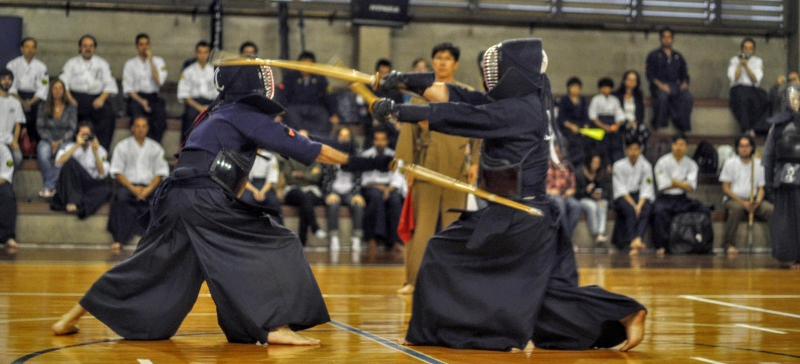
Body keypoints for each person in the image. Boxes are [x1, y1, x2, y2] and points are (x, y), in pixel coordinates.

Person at [51, 60, 371, 346]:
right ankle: (273, 326)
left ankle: (70, 318)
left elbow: (230, 174)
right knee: (279, 242)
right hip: (203, 199)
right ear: (254, 88)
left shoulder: (214, 115)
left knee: (146, 265)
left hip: (176, 198)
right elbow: (310, 149)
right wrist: (361, 163)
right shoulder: (246, 114)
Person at [372, 38, 646, 352]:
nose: (490, 76)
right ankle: (624, 312)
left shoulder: (517, 111)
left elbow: (462, 115)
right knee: (540, 298)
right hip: (527, 215)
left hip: (515, 217)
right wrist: (406, 82)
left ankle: (430, 332)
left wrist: (399, 111)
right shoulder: (533, 97)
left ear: (514, 71)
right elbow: (465, 97)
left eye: (496, 69)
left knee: (441, 252)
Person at [392, 42, 481, 295]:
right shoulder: (420, 94)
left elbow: (480, 130)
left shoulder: (466, 93)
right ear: (432, 62)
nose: (442, 62)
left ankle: (454, 279)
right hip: (426, 167)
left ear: (456, 64)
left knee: (455, 228)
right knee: (421, 228)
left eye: (448, 58)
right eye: (438, 57)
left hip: (457, 169)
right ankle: (412, 280)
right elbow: (408, 128)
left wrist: (475, 161)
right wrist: (407, 165)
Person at [107, 116, 169, 251]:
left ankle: (154, 239)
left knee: (159, 200)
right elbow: (117, 171)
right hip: (129, 186)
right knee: (120, 198)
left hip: (149, 187)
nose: (140, 129)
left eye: (143, 126)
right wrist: (133, 188)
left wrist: (147, 190)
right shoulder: (122, 146)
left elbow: (160, 172)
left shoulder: (155, 147)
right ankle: (119, 239)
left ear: (147, 128)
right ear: (132, 128)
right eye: (137, 126)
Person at [652, 134, 711, 257]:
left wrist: (673, 181)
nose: (679, 147)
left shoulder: (691, 164)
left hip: (682, 198)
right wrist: (682, 183)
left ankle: (703, 242)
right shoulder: (662, 162)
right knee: (658, 212)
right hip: (665, 198)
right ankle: (661, 246)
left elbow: (690, 187)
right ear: (672, 146)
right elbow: (663, 185)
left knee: (704, 210)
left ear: (686, 147)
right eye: (676, 144)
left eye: (682, 145)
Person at [60, 34, 119, 151]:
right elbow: (63, 83)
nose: (88, 49)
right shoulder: (71, 63)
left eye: (91, 46)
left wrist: (102, 98)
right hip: (75, 98)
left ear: (94, 48)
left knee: (109, 114)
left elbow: (110, 84)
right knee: (66, 112)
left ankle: (101, 151)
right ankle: (71, 149)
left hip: (96, 99)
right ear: (79, 48)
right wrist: (70, 99)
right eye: (85, 46)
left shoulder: (102, 64)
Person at [763, 85, 800, 269]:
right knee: (785, 221)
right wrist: (768, 181)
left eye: (797, 97)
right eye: (791, 97)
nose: (794, 101)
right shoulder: (778, 125)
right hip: (784, 177)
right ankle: (787, 255)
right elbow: (768, 155)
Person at [719, 134, 773, 255]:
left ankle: (778, 245)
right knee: (736, 209)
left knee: (770, 209)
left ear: (752, 147)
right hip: (734, 199)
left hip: (754, 199)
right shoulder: (730, 163)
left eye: (747, 146)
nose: (744, 149)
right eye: (741, 146)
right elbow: (726, 188)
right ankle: (728, 244)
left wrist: (758, 201)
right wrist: (742, 202)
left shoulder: (758, 163)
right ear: (737, 148)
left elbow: (761, 188)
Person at [50, 122, 112, 218]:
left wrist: (96, 153)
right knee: (70, 162)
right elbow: (59, 162)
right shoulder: (70, 147)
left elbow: (102, 174)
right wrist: (77, 145)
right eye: (82, 135)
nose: (85, 137)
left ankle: (82, 207)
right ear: (77, 135)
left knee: (106, 190)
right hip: (73, 185)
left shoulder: (100, 150)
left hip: (90, 184)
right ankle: (73, 201)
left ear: (92, 135)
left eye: (87, 135)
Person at [274, 51, 339, 138]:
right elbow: (281, 95)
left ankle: (316, 138)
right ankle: (299, 135)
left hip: (315, 107)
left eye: (309, 64)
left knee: (323, 116)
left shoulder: (320, 78)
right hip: (295, 107)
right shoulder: (290, 77)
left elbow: (329, 96)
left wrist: (334, 113)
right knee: (291, 114)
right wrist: (277, 113)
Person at [360, 127, 405, 254]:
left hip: (390, 186)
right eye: (377, 140)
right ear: (373, 141)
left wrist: (389, 189)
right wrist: (380, 188)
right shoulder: (367, 155)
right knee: (375, 197)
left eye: (382, 140)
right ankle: (373, 238)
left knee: (395, 200)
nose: (380, 143)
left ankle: (395, 241)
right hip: (372, 187)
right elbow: (365, 179)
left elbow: (398, 178)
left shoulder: (394, 156)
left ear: (387, 141)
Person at [280, 129, 328, 246]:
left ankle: (302, 242)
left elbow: (316, 176)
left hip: (311, 189)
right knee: (304, 198)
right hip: (293, 189)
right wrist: (308, 174)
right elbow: (289, 177)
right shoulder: (288, 154)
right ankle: (314, 227)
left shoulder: (315, 156)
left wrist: (299, 174)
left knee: (306, 200)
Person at [322, 127, 363, 251]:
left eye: (347, 136)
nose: (344, 139)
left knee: (358, 205)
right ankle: (334, 237)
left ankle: (357, 238)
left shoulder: (356, 157)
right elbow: (325, 178)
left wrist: (356, 193)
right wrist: (329, 192)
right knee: (333, 204)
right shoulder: (329, 156)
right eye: (342, 136)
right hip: (334, 190)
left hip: (350, 191)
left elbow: (359, 178)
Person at [122, 33, 168, 143]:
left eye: (146, 44)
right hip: (137, 98)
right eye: (141, 45)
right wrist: (141, 101)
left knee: (160, 116)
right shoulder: (130, 64)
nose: (144, 47)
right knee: (137, 116)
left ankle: (155, 144)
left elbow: (159, 81)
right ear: (136, 46)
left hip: (153, 97)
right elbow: (128, 88)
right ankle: (138, 143)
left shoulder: (159, 61)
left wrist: (151, 61)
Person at [645, 27, 693, 132]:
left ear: (672, 39)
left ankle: (682, 126)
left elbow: (685, 72)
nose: (667, 40)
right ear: (661, 39)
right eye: (664, 37)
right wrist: (661, 85)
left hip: (676, 85)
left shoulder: (678, 56)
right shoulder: (653, 55)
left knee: (687, 97)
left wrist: (685, 82)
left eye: (669, 37)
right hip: (659, 86)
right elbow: (649, 75)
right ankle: (660, 125)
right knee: (662, 97)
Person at [611, 140, 654, 256]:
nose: (633, 152)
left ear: (640, 150)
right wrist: (634, 205)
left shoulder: (646, 166)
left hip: (640, 196)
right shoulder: (618, 165)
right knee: (630, 210)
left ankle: (638, 238)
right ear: (626, 150)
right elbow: (620, 188)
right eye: (631, 149)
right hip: (623, 196)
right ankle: (633, 240)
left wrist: (639, 205)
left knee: (645, 209)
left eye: (636, 149)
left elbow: (647, 187)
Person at [36, 79, 77, 198]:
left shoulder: (71, 107)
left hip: (65, 140)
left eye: (60, 88)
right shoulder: (43, 106)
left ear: (64, 91)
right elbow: (40, 127)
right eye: (55, 88)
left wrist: (60, 142)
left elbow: (72, 128)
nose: (58, 91)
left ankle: (49, 186)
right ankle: (54, 186)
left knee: (61, 156)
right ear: (51, 90)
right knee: (43, 153)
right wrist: (51, 141)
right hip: (47, 140)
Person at [6, 37, 49, 145]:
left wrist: (31, 102)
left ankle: (34, 145)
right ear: (21, 49)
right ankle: (15, 144)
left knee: (38, 119)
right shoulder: (12, 65)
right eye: (27, 47)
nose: (30, 50)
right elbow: (11, 86)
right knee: (15, 120)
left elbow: (43, 87)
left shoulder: (42, 67)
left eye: (33, 47)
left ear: (35, 49)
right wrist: (21, 101)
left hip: (35, 98)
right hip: (17, 96)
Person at [177, 41, 218, 143]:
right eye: (200, 52)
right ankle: (185, 147)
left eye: (205, 52)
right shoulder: (188, 71)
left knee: (217, 118)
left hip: (210, 103)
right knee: (189, 116)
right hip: (193, 103)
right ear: (196, 53)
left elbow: (219, 93)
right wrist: (200, 108)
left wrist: (208, 107)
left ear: (209, 54)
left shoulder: (215, 71)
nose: (203, 55)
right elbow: (184, 94)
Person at [728, 37, 769, 136]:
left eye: (750, 48)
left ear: (753, 50)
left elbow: (755, 79)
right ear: (742, 49)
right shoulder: (734, 60)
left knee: (765, 99)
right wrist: (740, 64)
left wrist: (746, 66)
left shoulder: (758, 61)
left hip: (752, 87)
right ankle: (746, 128)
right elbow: (734, 79)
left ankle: (760, 129)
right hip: (737, 87)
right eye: (745, 48)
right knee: (742, 99)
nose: (747, 50)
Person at [546, 146, 582, 243]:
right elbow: (539, 186)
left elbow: (573, 187)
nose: (556, 154)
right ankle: (565, 240)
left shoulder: (567, 166)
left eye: (558, 152)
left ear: (562, 153)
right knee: (560, 204)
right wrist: (548, 191)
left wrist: (570, 191)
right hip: (550, 196)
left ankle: (564, 239)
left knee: (576, 206)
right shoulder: (545, 166)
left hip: (565, 196)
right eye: (554, 152)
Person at [576, 152, 611, 246]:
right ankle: (595, 234)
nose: (595, 165)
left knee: (602, 204)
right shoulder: (580, 173)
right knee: (592, 207)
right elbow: (576, 193)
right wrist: (587, 191)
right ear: (588, 162)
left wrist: (601, 195)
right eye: (593, 162)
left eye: (598, 163)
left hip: (599, 199)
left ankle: (600, 233)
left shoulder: (602, 174)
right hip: (584, 199)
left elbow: (607, 191)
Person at [589, 77, 626, 166]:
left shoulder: (615, 100)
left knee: (616, 144)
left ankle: (616, 163)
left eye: (609, 87)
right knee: (601, 146)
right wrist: (604, 127)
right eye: (604, 87)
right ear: (600, 89)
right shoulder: (596, 100)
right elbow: (593, 116)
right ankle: (605, 165)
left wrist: (616, 126)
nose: (606, 90)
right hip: (600, 126)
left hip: (612, 125)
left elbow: (620, 115)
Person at [241, 149, 283, 225]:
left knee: (273, 202)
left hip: (266, 186)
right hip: (250, 186)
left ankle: (277, 231)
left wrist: (262, 192)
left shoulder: (270, 156)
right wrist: (255, 191)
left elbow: (271, 178)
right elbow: (243, 178)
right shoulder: (245, 156)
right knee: (245, 201)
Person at [556, 76, 592, 168]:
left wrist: (586, 127)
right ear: (569, 88)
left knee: (589, 140)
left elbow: (586, 116)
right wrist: (571, 126)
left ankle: (585, 164)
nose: (575, 89)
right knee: (575, 141)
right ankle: (574, 165)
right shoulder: (564, 100)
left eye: (577, 87)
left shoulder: (582, 100)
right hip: (568, 127)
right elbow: (561, 118)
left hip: (580, 126)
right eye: (573, 87)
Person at [612, 70, 650, 150]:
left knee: (644, 130)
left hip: (635, 122)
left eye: (634, 80)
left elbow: (640, 114)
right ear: (624, 81)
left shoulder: (638, 96)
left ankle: (640, 152)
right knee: (630, 130)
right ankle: (630, 151)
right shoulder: (617, 96)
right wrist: (628, 121)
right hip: (621, 122)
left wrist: (636, 122)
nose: (631, 82)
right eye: (629, 79)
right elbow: (617, 112)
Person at [0, 68, 25, 168]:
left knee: (17, 158)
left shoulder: (16, 102)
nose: (7, 81)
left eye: (9, 79)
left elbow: (18, 124)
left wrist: (15, 141)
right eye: (3, 79)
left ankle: (6, 180)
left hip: (9, 140)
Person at [0, 144, 19, 251]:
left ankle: (8, 236)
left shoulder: (3, 150)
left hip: (1, 183)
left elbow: (7, 171)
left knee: (7, 195)